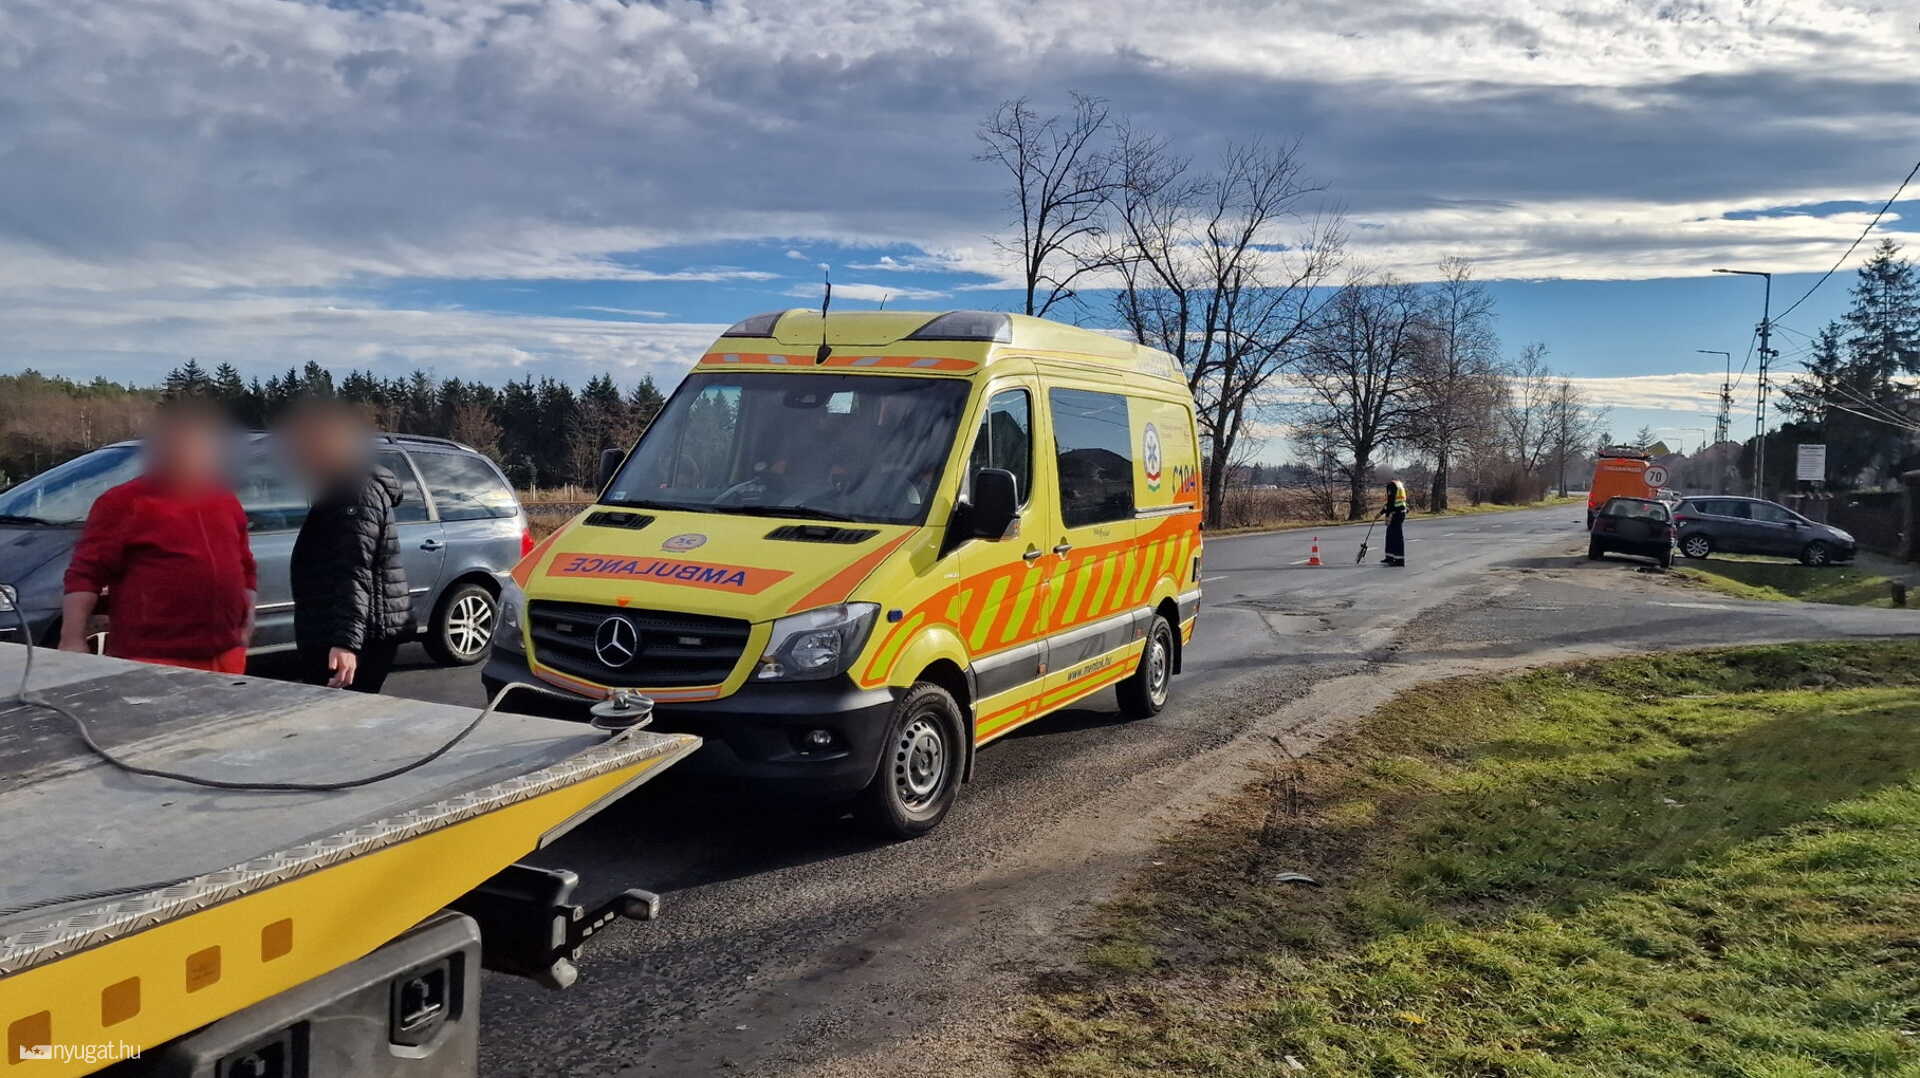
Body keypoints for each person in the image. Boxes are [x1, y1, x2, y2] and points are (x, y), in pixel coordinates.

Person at [60, 401, 257, 672]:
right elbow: (85, 575)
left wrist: (248, 623)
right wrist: (71, 639)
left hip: (225, 658)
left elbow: (246, 567)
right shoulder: (123, 502)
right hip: (151, 660)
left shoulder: (225, 501)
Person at [283, 401, 410, 693]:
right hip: (343, 633)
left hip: (354, 640)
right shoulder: (339, 489)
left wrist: (345, 644)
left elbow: (354, 571)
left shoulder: (355, 493)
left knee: (343, 725)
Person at [1378, 477, 1408, 567]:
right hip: (1400, 512)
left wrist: (1387, 517)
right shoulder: (1398, 484)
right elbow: (1394, 502)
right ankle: (1389, 557)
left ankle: (1399, 560)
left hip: (1396, 514)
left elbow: (1391, 503)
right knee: (1390, 535)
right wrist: (1381, 513)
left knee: (1396, 537)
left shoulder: (1391, 486)